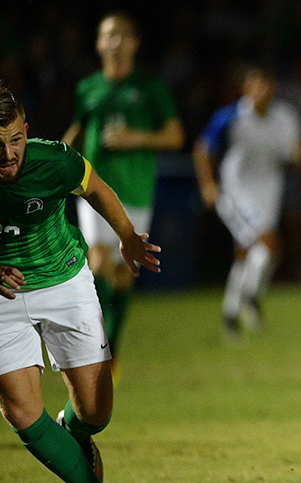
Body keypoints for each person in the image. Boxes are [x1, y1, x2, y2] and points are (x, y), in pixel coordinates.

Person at [0, 83, 161, 483]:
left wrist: (127, 236)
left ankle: (71, 430)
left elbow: (95, 186)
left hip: (64, 282)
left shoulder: (52, 159)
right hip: (3, 298)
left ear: (26, 131)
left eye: (15, 140)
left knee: (96, 411)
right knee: (18, 406)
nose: (8, 154)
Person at [61, 11, 184, 365]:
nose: (115, 41)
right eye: (108, 35)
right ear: (99, 44)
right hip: (95, 186)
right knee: (97, 259)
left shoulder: (150, 88)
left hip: (135, 189)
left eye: (122, 34)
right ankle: (98, 346)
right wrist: (55, 158)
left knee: (123, 269)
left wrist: (135, 138)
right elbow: (78, 130)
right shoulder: (88, 88)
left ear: (135, 43)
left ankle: (111, 343)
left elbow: (175, 135)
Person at [193, 66, 301, 336]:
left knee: (252, 253)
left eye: (267, 85)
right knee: (267, 244)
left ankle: (235, 310)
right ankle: (247, 301)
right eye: (256, 85)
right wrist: (208, 185)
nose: (262, 91)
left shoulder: (285, 117)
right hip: (236, 191)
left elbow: (299, 153)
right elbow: (202, 149)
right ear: (246, 89)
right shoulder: (231, 116)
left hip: (269, 192)